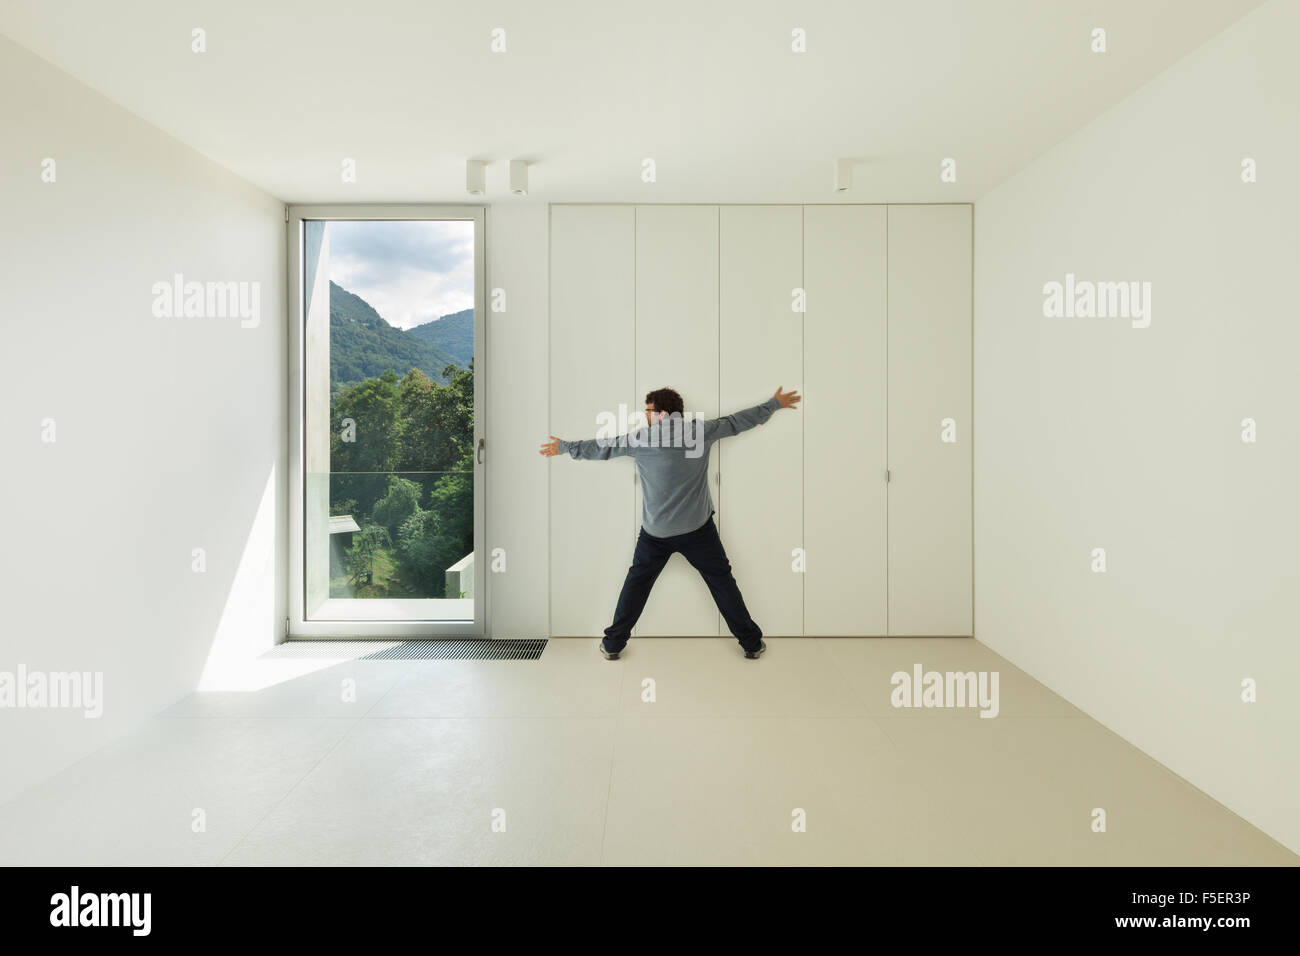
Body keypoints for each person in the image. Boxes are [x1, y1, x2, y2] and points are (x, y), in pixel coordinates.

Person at [539, 386, 801, 660]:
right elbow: (737, 422)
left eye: (648, 410)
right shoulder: (700, 431)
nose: (645, 415)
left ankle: (613, 644)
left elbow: (603, 447)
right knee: (723, 582)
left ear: (662, 413)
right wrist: (773, 404)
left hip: (656, 533)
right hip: (698, 530)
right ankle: (752, 644)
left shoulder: (640, 439)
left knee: (636, 585)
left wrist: (565, 447)